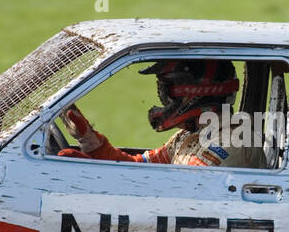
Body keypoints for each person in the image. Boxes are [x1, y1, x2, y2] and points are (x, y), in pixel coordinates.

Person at [58, 59, 264, 167]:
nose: (164, 99)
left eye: (170, 89)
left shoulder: (235, 138)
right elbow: (140, 167)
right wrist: (91, 142)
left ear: (199, 92)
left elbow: (176, 191)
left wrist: (94, 175)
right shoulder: (189, 136)